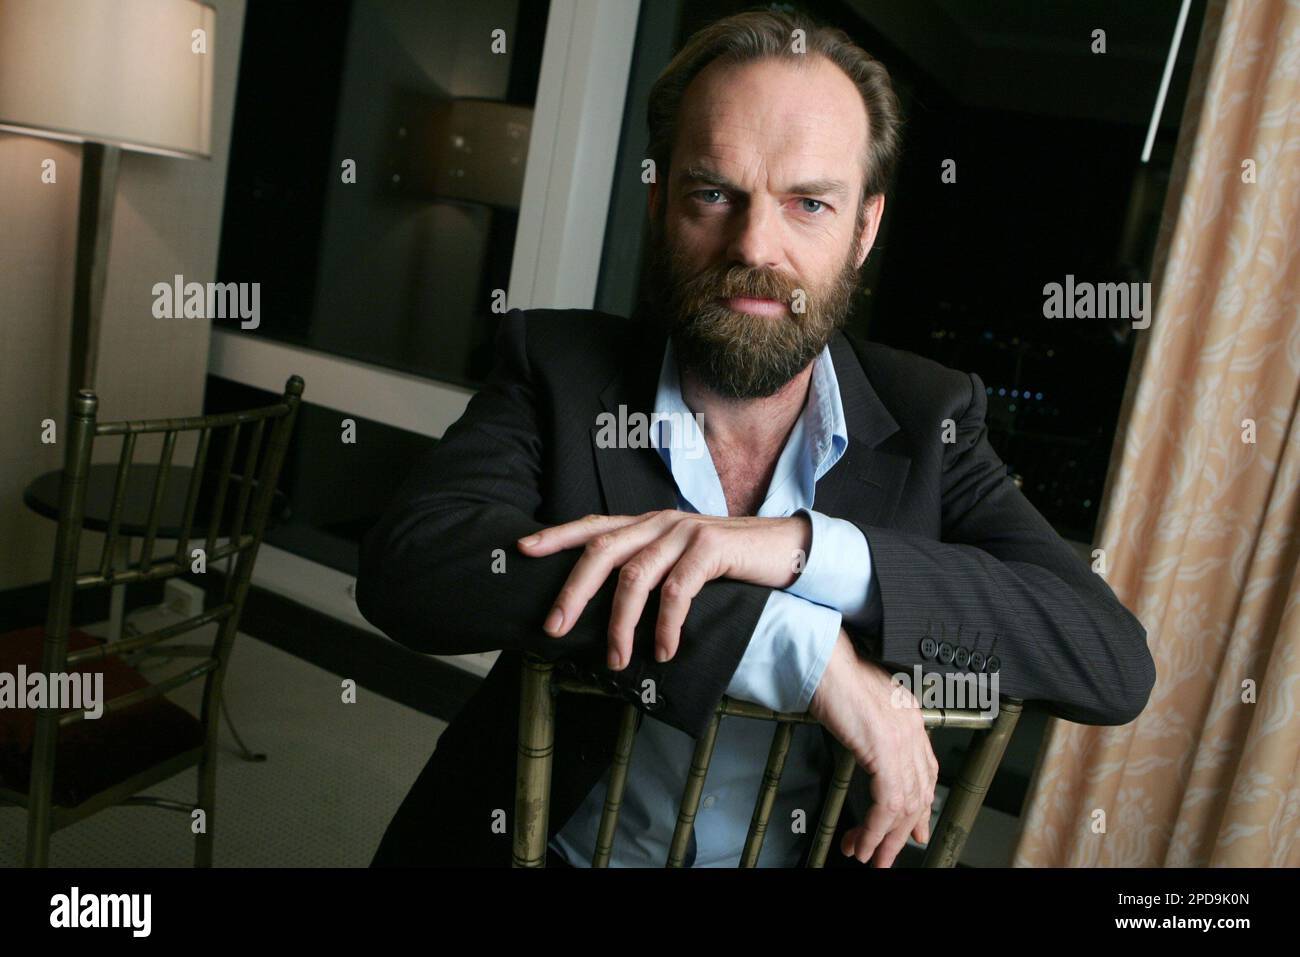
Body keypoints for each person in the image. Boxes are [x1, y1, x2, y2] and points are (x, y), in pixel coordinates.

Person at [356, 8, 1155, 868]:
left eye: (808, 202)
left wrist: (803, 551)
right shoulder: (557, 366)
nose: (755, 245)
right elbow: (413, 567)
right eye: (713, 193)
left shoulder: (932, 417)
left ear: (865, 229)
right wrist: (795, 646)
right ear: (662, 202)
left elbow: (1110, 660)